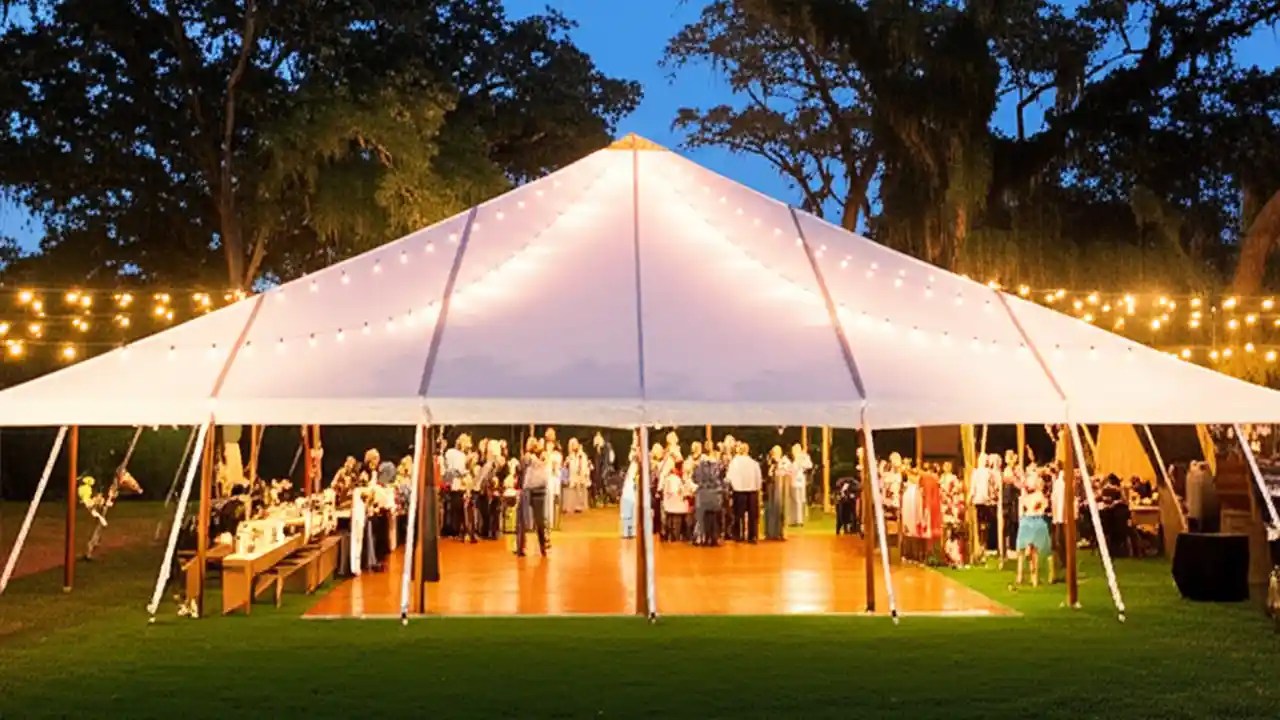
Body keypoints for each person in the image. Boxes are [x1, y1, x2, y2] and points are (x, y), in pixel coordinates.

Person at [1014, 473, 1051, 588]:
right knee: (1024, 550)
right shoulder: (1028, 496)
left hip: (1033, 522)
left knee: (1032, 551)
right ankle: (1022, 576)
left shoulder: (1038, 496)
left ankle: (1032, 577)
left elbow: (1039, 507)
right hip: (1029, 522)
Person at [516, 438, 550, 557]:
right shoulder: (542, 458)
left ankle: (521, 548)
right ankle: (542, 547)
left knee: (523, 519)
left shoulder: (530, 457)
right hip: (539, 490)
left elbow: (522, 467)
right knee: (538, 520)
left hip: (529, 490)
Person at [726, 442, 763, 543]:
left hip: (739, 491)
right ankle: (752, 536)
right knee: (752, 515)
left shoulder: (734, 462)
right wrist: (758, 488)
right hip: (752, 491)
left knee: (738, 515)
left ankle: (738, 535)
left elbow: (729, 477)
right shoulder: (753, 463)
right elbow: (758, 478)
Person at [765, 446, 790, 540]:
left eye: (776, 452)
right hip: (771, 487)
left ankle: (781, 532)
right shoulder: (769, 462)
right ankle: (770, 532)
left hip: (781, 487)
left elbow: (788, 472)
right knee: (771, 510)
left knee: (780, 509)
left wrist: (779, 465)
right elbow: (767, 474)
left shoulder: (785, 461)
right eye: (773, 452)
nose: (774, 454)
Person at [565, 438, 592, 514]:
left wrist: (584, 474)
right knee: (573, 490)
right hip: (573, 475)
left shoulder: (583, 455)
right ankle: (572, 507)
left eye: (575, 444)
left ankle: (580, 506)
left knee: (581, 490)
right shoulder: (570, 456)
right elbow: (567, 465)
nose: (574, 446)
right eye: (572, 445)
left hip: (581, 474)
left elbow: (584, 464)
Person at [788, 443, 813, 526]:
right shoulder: (792, 458)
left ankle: (799, 520)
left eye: (795, 449)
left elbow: (809, 465)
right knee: (793, 501)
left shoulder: (803, 457)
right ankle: (792, 520)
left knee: (799, 500)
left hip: (799, 481)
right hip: (792, 481)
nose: (793, 451)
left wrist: (801, 465)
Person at [620, 446, 638, 539]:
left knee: (634, 511)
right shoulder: (632, 465)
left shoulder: (639, 466)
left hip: (634, 491)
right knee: (627, 510)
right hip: (628, 491)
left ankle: (632, 531)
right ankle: (626, 531)